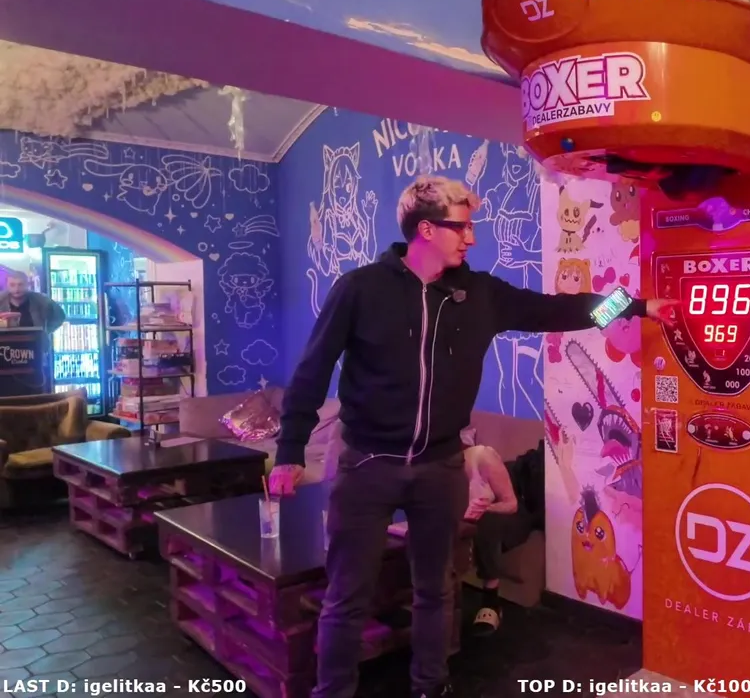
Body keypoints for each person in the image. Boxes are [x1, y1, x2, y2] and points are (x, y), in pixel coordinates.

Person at [269, 174, 674, 698]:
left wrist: (635, 306)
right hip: (366, 465)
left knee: (435, 591)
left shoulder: (479, 294)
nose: (471, 237)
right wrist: (290, 450)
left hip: (441, 468)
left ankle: (431, 686)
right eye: (461, 227)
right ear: (426, 229)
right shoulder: (361, 289)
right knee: (347, 596)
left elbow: (559, 309)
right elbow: (313, 369)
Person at [459, 433, 544, 636]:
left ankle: (491, 602)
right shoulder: (432, 473)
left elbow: (511, 504)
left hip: (516, 504)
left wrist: (485, 508)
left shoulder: (482, 458)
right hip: (482, 508)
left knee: (486, 522)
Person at [0, 271, 65, 332]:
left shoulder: (42, 300)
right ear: (7, 285)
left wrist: (44, 332)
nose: (16, 289)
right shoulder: (1, 300)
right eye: (12, 285)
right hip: (5, 339)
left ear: (28, 285)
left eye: (21, 285)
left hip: (36, 339)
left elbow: (60, 316)